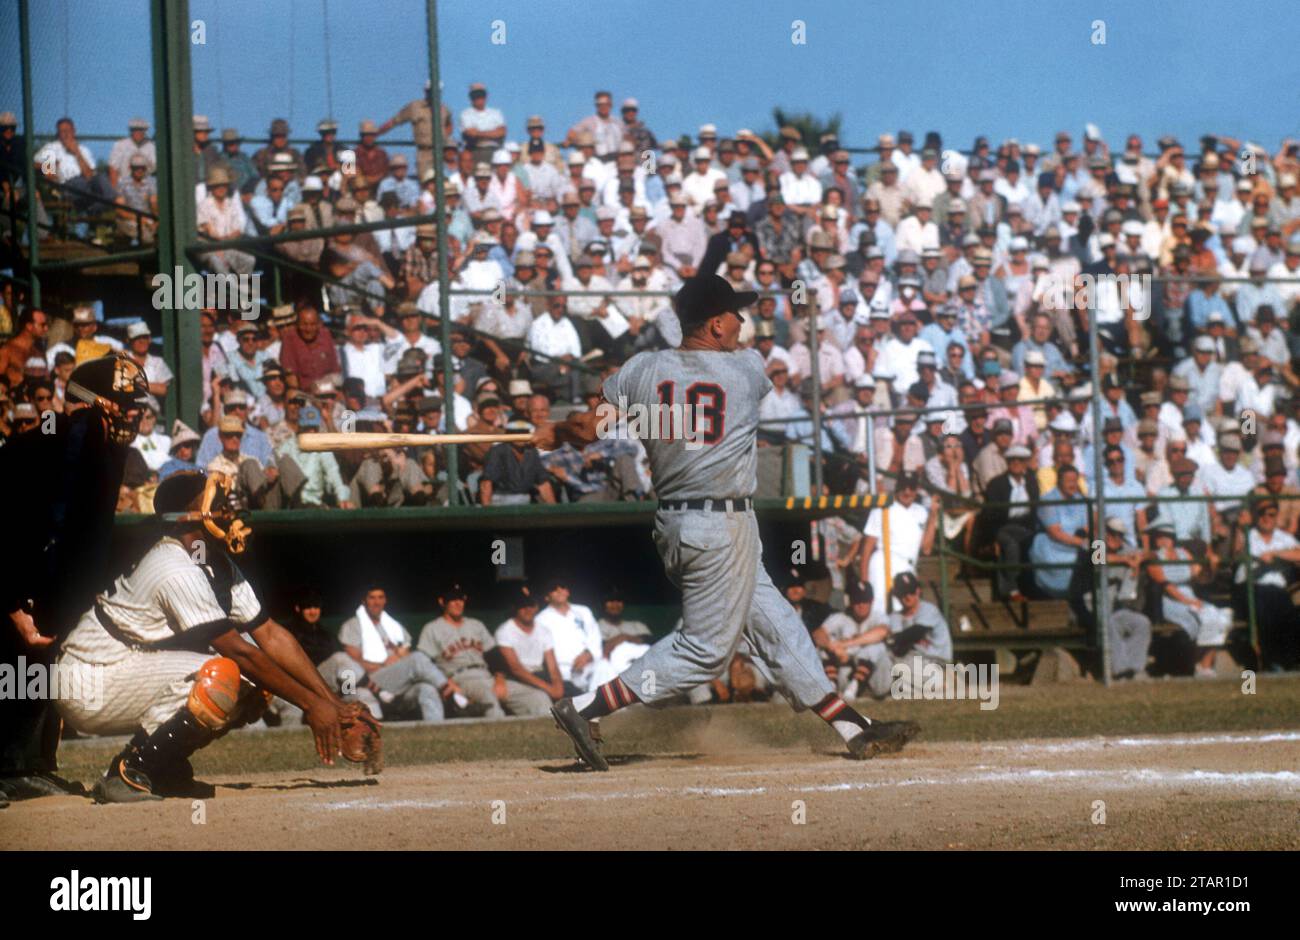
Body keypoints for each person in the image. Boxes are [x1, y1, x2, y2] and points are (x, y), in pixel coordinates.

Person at [535, 274, 919, 770]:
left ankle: (852, 727)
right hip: (721, 525)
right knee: (706, 651)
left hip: (681, 525)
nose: (741, 322)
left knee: (776, 624)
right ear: (715, 324)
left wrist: (555, 432)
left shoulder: (641, 369)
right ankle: (585, 706)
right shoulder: (748, 370)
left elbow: (588, 429)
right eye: (735, 315)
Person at [55, 471, 363, 802]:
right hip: (88, 678)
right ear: (188, 515)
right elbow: (239, 652)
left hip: (126, 666)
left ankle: (163, 768)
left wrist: (334, 704)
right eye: (216, 503)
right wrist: (311, 705)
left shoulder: (215, 562)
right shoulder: (174, 566)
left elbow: (270, 636)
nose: (228, 512)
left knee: (255, 687)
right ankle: (128, 772)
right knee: (222, 674)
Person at [1, 355, 150, 802]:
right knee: (13, 656)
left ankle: (25, 766)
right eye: (125, 403)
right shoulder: (63, 443)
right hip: (8, 579)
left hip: (33, 585)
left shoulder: (99, 449)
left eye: (138, 404)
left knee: (34, 663)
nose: (135, 413)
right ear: (93, 404)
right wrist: (14, 607)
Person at [416, 583, 551, 717]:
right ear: (442, 602)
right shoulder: (432, 629)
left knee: (538, 697)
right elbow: (423, 663)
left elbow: (494, 655)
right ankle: (501, 736)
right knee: (488, 698)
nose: (458, 603)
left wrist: (499, 680)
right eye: (452, 599)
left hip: (487, 677)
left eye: (461, 599)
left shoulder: (476, 625)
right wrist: (445, 682)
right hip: (461, 680)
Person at [337, 586, 460, 721]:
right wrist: (385, 663)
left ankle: (437, 734)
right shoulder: (353, 626)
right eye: (372, 598)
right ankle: (451, 693)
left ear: (385, 600)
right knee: (418, 658)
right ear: (364, 601)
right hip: (372, 680)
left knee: (427, 689)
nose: (377, 602)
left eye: (380, 597)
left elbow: (406, 655)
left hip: (398, 684)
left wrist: (399, 660)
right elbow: (354, 665)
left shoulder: (393, 626)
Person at [1067, 517, 1151, 679]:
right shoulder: (1091, 544)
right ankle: (1119, 670)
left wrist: (1140, 559)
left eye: (1119, 534)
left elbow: (1152, 553)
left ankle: (1135, 668)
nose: (1115, 537)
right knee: (1108, 624)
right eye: (1112, 532)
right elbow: (1098, 558)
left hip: (1115, 607)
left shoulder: (1125, 548)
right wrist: (1126, 560)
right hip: (1090, 610)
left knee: (1142, 623)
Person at [494, 585, 567, 707]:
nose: (528, 609)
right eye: (522, 606)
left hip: (541, 675)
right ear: (516, 608)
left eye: (531, 605)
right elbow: (516, 670)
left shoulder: (544, 631)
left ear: (537, 607)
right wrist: (550, 689)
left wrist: (558, 687)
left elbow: (553, 666)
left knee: (576, 695)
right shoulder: (504, 631)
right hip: (518, 679)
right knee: (542, 701)